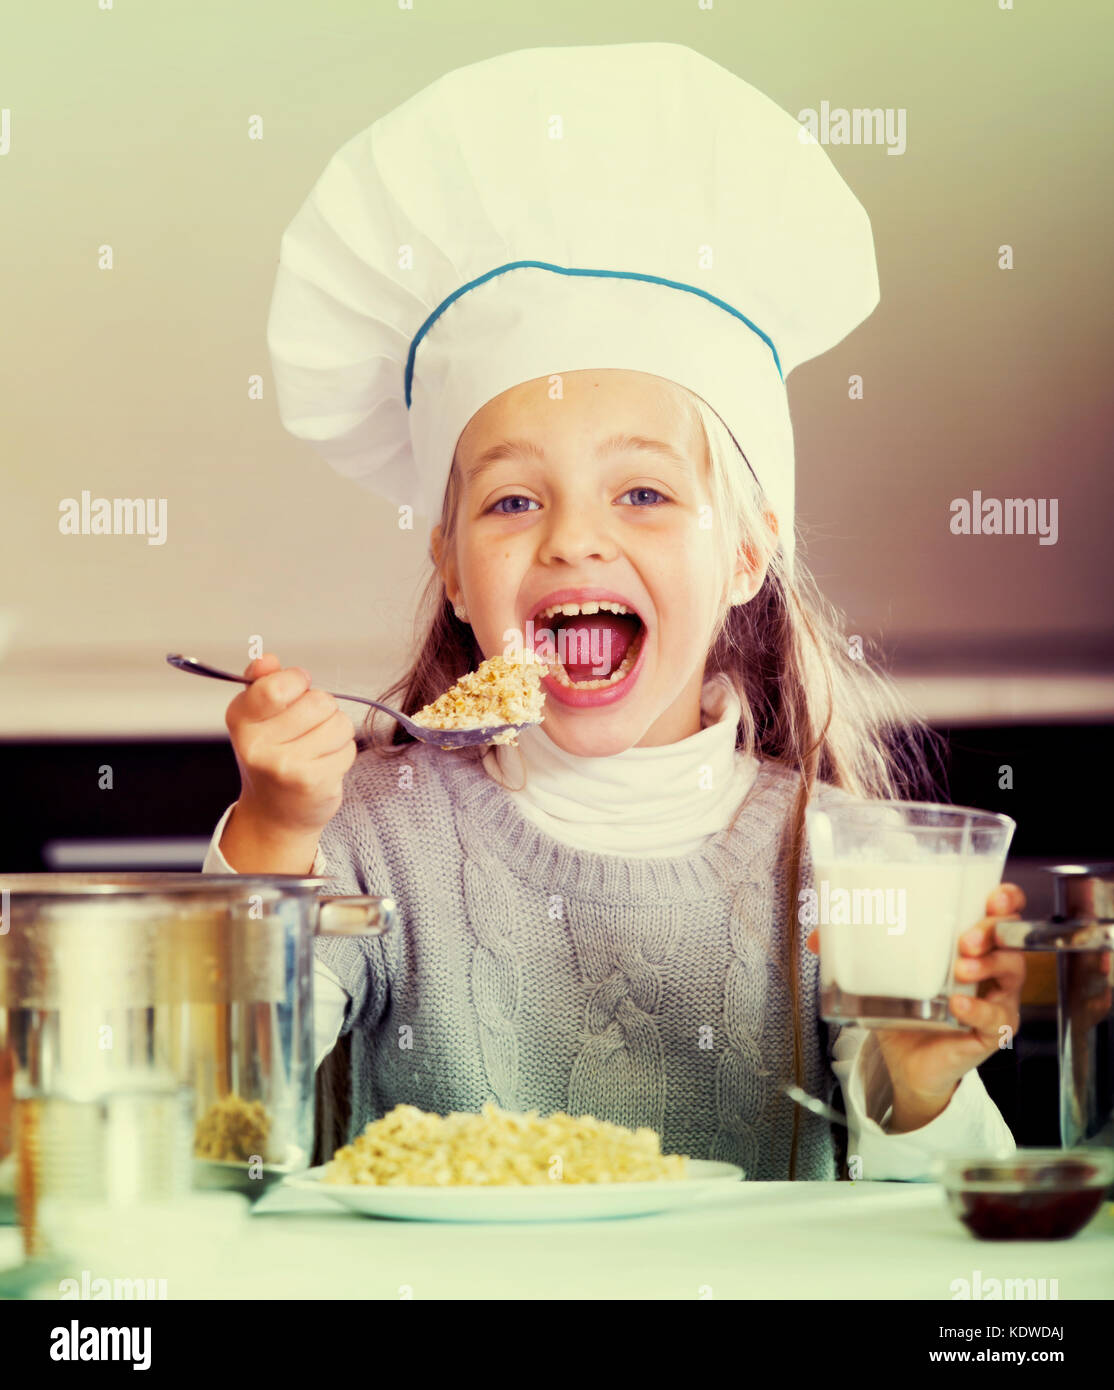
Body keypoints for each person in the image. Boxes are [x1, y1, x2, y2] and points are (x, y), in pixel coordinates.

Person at [203, 44, 1025, 1180]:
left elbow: (925, 1243)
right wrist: (273, 839)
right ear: (451, 566)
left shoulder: (834, 862)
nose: (573, 538)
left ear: (744, 550)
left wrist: (918, 1089)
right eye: (511, 499)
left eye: (641, 491)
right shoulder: (365, 840)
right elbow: (218, 1135)